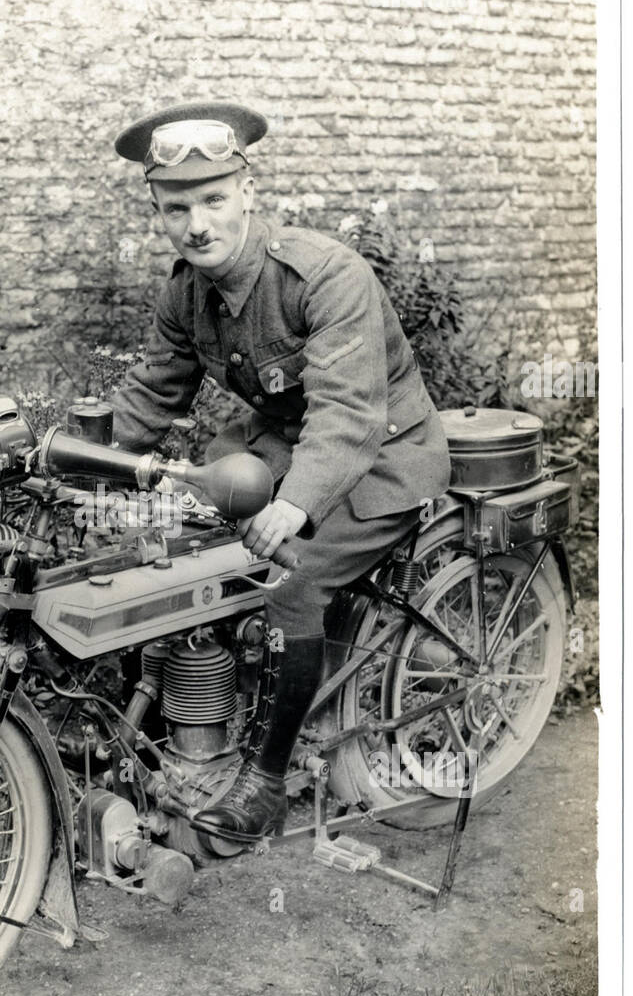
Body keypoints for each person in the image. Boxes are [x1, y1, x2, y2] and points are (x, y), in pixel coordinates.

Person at [109, 101, 451, 840]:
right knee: (180, 548)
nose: (197, 224)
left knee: (287, 584)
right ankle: (188, 729)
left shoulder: (323, 275)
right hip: (287, 446)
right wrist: (74, 459)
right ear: (158, 212)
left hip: (381, 456)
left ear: (247, 192)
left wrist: (292, 507)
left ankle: (265, 781)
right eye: (177, 208)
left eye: (212, 200)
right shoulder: (185, 293)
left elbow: (347, 419)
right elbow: (150, 394)